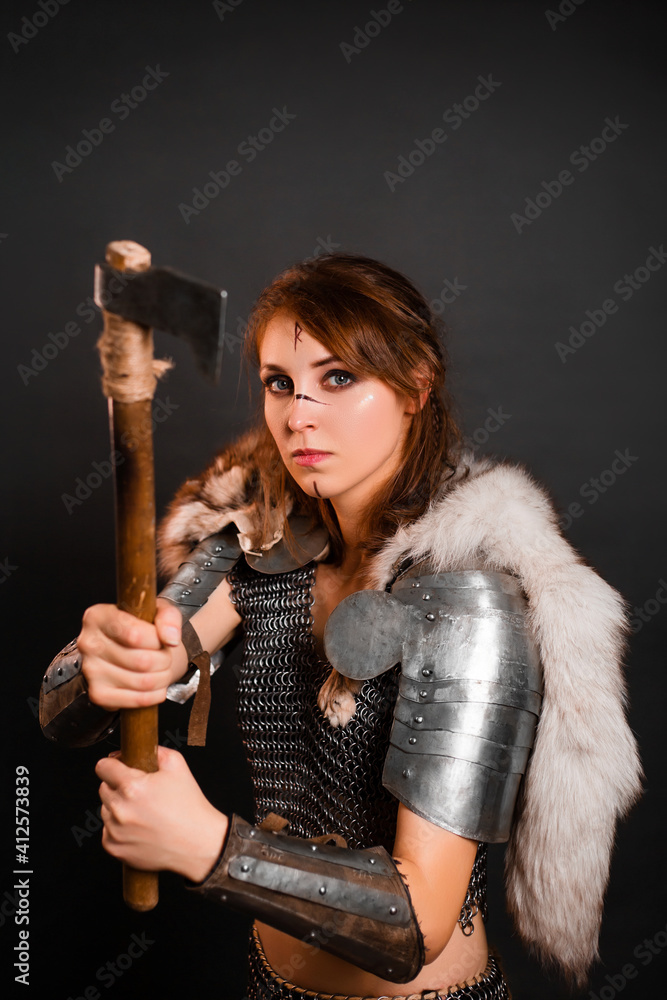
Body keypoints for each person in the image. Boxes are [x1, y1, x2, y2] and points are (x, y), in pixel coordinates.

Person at [40, 252, 642, 1000]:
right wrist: (110, 662)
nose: (298, 416)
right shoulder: (265, 538)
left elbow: (417, 925)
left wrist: (207, 846)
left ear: (415, 386)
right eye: (279, 383)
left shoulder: (465, 596)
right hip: (267, 982)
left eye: (337, 378)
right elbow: (64, 714)